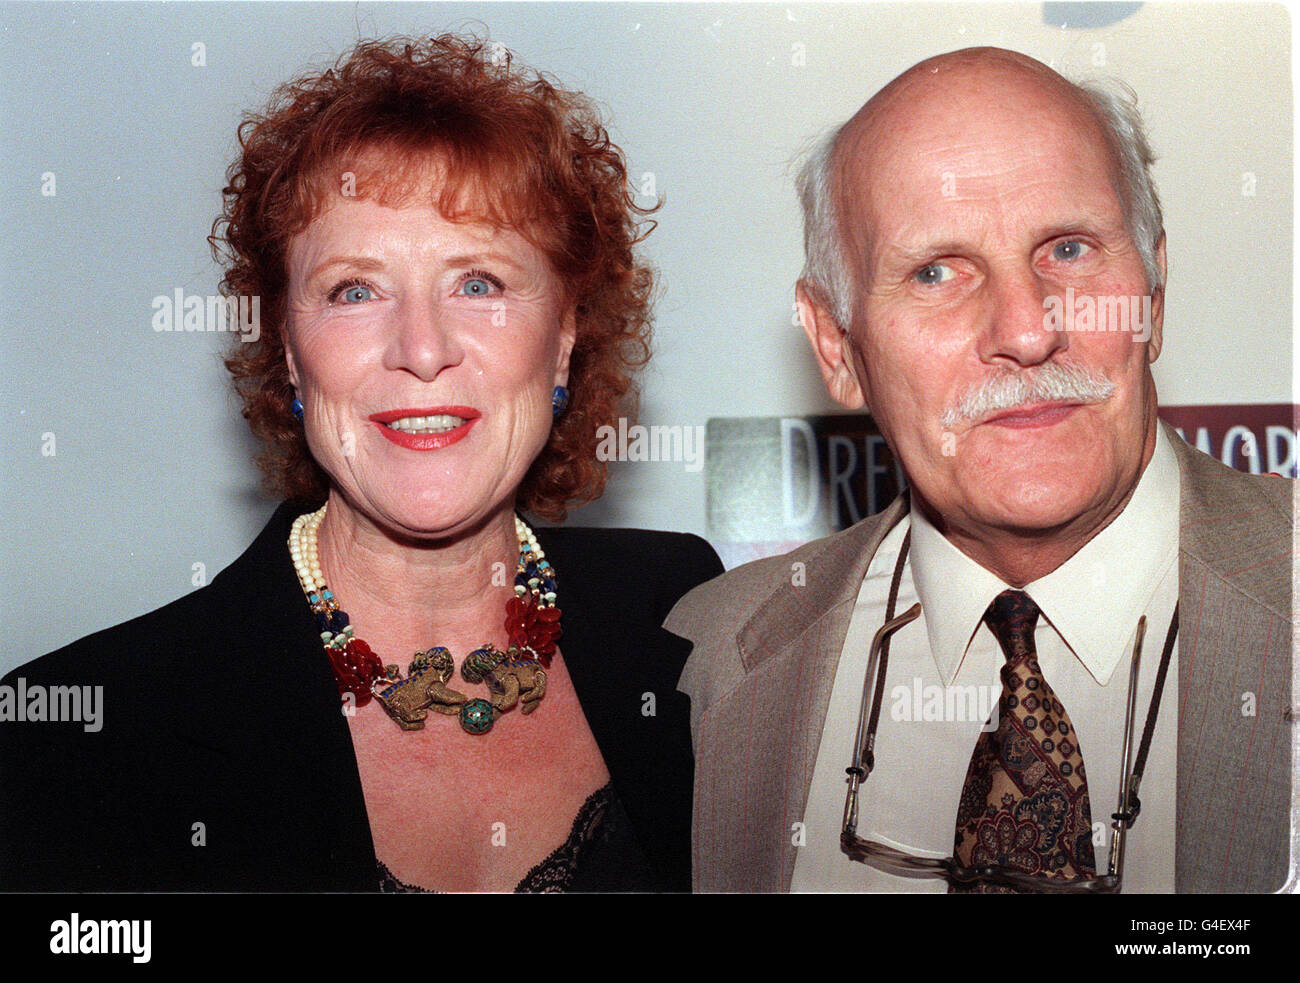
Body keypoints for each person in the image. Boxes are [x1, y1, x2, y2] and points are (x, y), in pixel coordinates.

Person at [0, 34, 721, 892]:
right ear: (291, 351)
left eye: (480, 281)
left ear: (563, 339)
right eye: (354, 289)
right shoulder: (79, 736)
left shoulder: (680, 618)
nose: (421, 348)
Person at [667, 47, 1292, 893]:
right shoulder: (723, 661)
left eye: (1069, 249)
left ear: (1153, 289)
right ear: (835, 348)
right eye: (934, 271)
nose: (1027, 330)